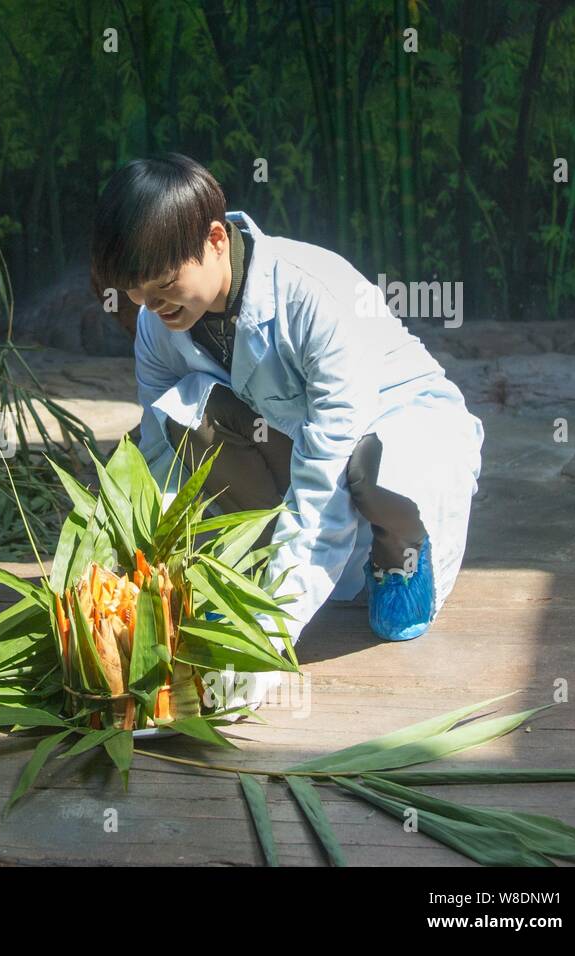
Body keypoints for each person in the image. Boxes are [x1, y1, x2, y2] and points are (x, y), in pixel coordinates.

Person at [91, 153, 484, 703]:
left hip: (394, 428)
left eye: (163, 286)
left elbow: (325, 468)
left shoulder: (312, 295)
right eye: (137, 293)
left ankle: (400, 554)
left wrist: (266, 637)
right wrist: (145, 575)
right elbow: (159, 454)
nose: (151, 307)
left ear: (215, 240)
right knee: (179, 414)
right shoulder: (159, 324)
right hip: (294, 437)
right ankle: (270, 570)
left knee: (365, 474)